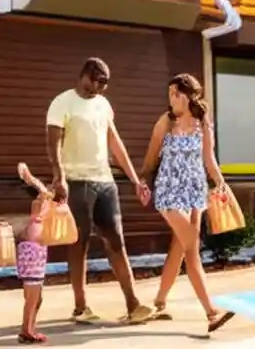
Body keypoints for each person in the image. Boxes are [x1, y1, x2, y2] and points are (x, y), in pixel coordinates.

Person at [46, 58, 154, 325]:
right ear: (83, 75)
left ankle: (133, 304)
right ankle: (81, 307)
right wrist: (59, 177)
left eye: (103, 84)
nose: (97, 88)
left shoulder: (103, 105)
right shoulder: (63, 103)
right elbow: (53, 144)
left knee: (116, 240)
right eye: (94, 81)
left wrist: (134, 179)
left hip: (104, 181)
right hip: (76, 181)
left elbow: (114, 142)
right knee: (78, 244)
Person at [138, 73, 235, 334]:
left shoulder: (203, 123)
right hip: (169, 192)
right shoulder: (165, 122)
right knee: (192, 248)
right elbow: (149, 160)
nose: (172, 98)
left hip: (195, 192)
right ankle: (212, 313)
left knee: (180, 248)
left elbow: (209, 159)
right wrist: (142, 182)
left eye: (176, 93)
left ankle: (159, 301)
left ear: (190, 96)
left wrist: (220, 181)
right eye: (169, 93)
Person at [14, 162, 52, 344]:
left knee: (36, 296)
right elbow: (44, 192)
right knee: (33, 296)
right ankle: (27, 330)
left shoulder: (40, 208)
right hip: (33, 252)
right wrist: (29, 177)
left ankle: (28, 328)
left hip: (33, 252)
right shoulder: (39, 203)